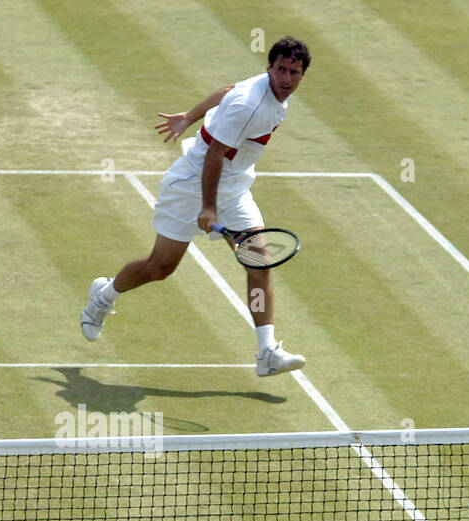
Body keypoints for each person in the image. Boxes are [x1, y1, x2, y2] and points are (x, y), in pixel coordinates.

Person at [81, 36, 311, 377]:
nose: (286, 78)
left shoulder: (271, 94)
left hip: (233, 186)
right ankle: (104, 295)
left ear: (303, 74)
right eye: (280, 70)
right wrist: (207, 208)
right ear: (270, 68)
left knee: (259, 262)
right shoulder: (250, 106)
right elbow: (214, 155)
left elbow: (226, 88)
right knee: (160, 268)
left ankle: (267, 351)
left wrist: (189, 116)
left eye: (294, 71)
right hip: (192, 184)